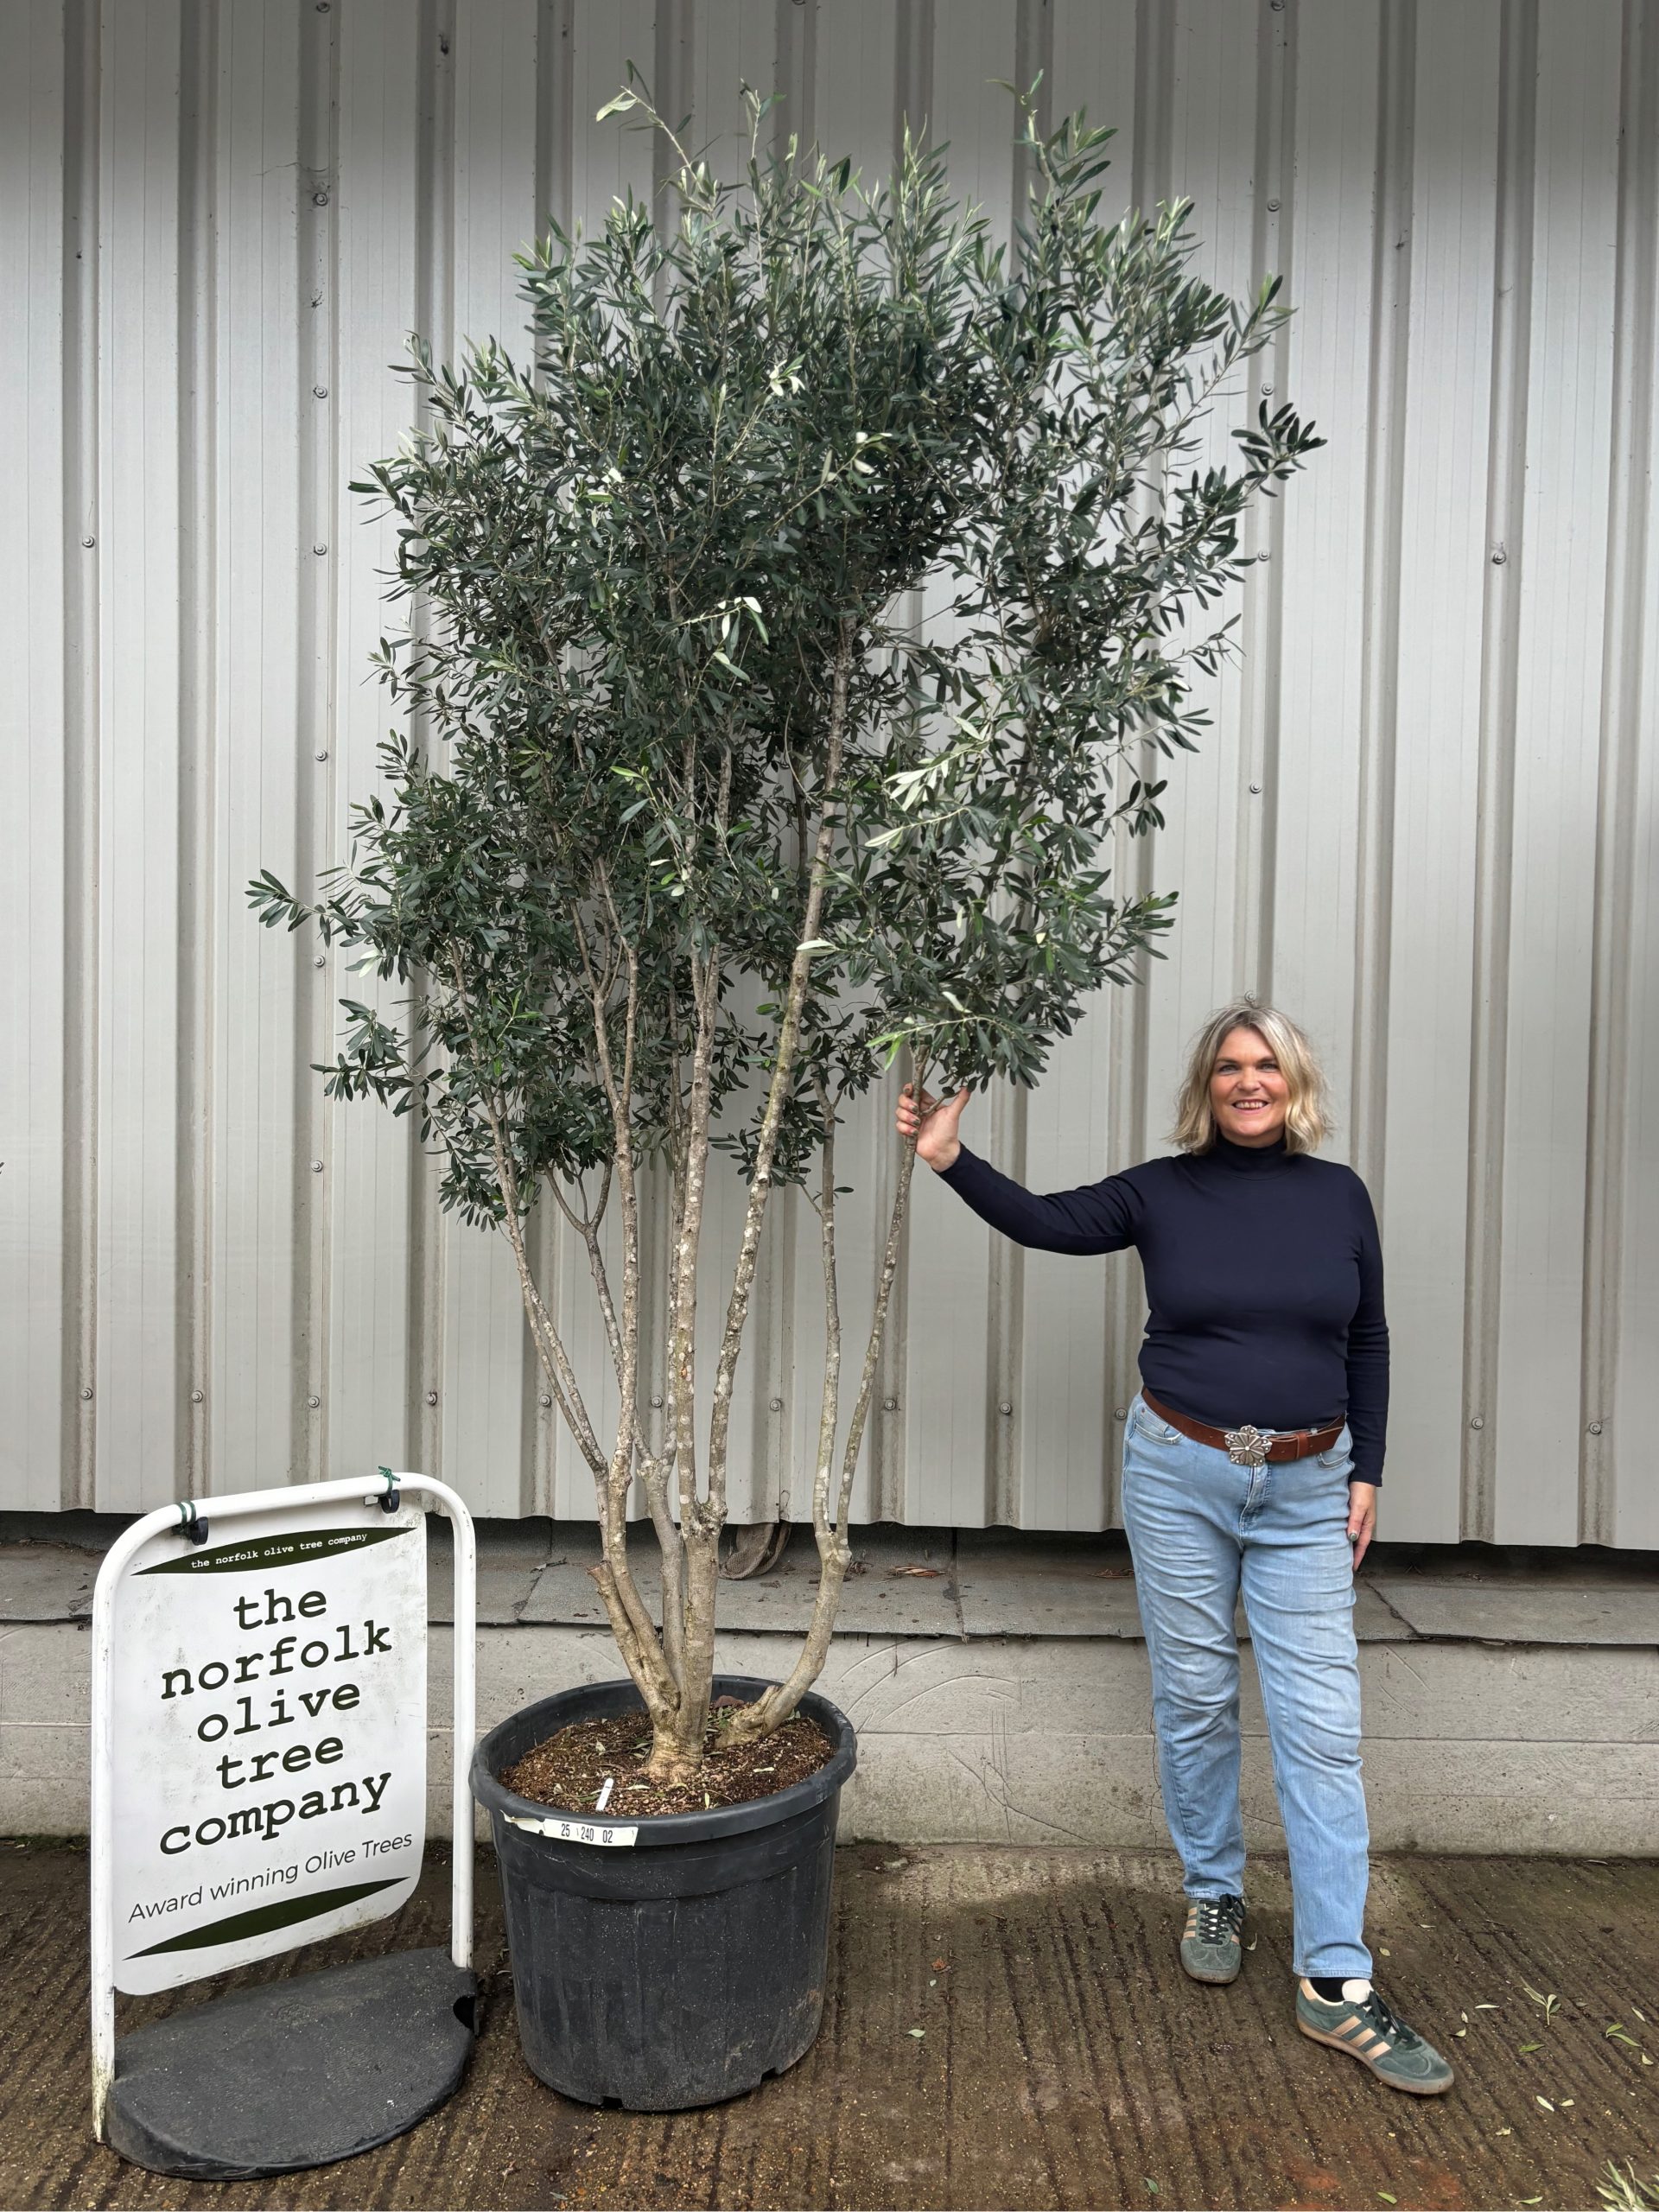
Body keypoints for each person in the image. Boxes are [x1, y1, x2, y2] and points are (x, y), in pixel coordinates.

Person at [898, 1000, 1453, 2095]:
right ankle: (1215, 1885)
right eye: (1231, 1067)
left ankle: (1335, 1981)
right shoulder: (1161, 1189)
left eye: (1269, 1065)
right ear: (1206, 1085)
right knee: (1196, 1694)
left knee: (1323, 1725)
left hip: (1308, 1485)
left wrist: (1369, 1469)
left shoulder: (1338, 1195)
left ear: (1295, 1082)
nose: (1251, 1082)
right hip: (1178, 1472)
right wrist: (950, 1158)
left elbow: (1368, 1335)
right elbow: (1050, 1222)